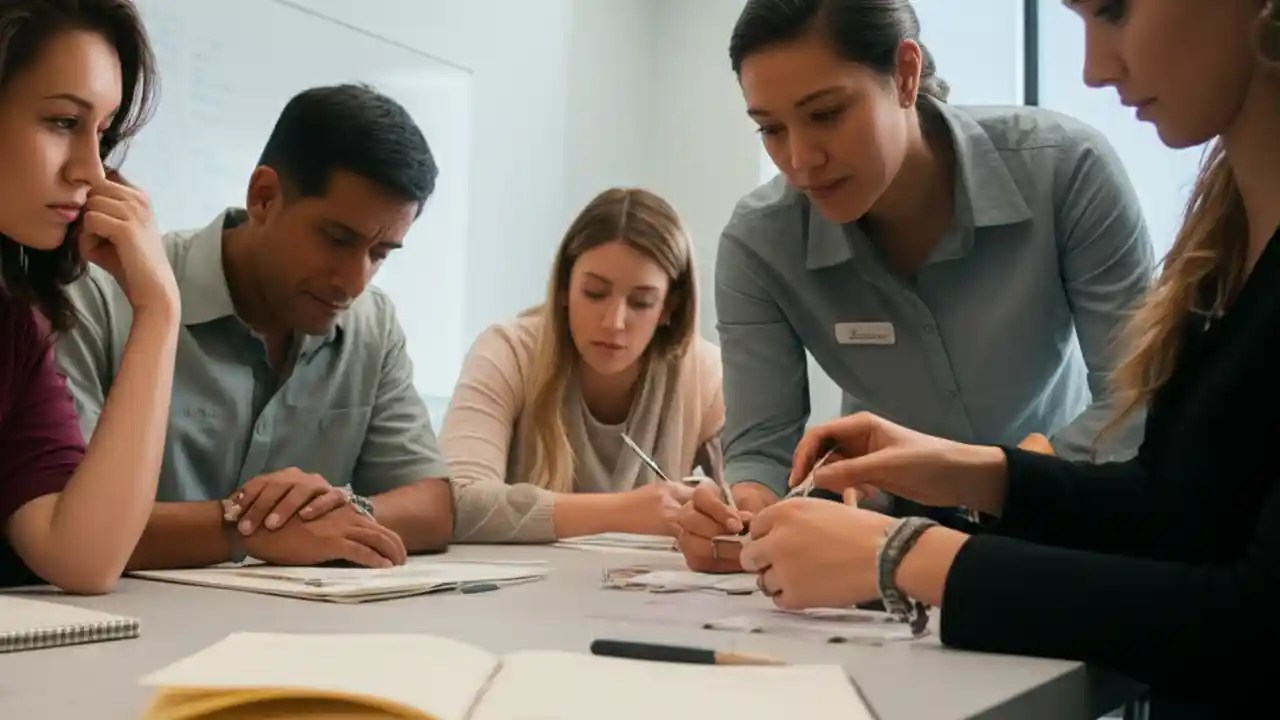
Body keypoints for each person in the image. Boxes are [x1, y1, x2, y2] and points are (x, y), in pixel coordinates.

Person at [738, 1, 1280, 716]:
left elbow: (1253, 620)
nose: (1092, 67)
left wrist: (904, 553)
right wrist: (967, 470)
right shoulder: (1224, 243)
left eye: (1114, 10)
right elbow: (1177, 511)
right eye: (772, 129)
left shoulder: (1069, 169)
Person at [678, 0, 1156, 573]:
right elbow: (761, 449)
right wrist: (740, 514)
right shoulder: (759, 244)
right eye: (772, 129)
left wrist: (1006, 484)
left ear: (905, 75)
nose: (801, 160)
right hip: (878, 546)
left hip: (1063, 517)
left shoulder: (1066, 170)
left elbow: (1136, 399)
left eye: (826, 113)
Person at [55, 83, 454, 571]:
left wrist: (340, 514)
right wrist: (252, 528)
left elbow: (432, 505)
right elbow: (61, 522)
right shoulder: (99, 293)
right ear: (264, 198)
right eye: (336, 238)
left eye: (380, 253)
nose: (354, 281)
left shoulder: (374, 324)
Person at [0, 0, 177, 592]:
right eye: (62, 122)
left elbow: (84, 559)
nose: (92, 172)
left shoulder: (15, 325)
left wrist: (158, 313)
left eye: (102, 133)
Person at [440, 188, 723, 543]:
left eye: (641, 302)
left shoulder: (705, 373)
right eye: (594, 293)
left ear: (669, 307)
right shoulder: (508, 351)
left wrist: (721, 515)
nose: (614, 322)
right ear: (563, 288)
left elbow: (750, 502)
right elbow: (456, 502)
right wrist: (624, 512)